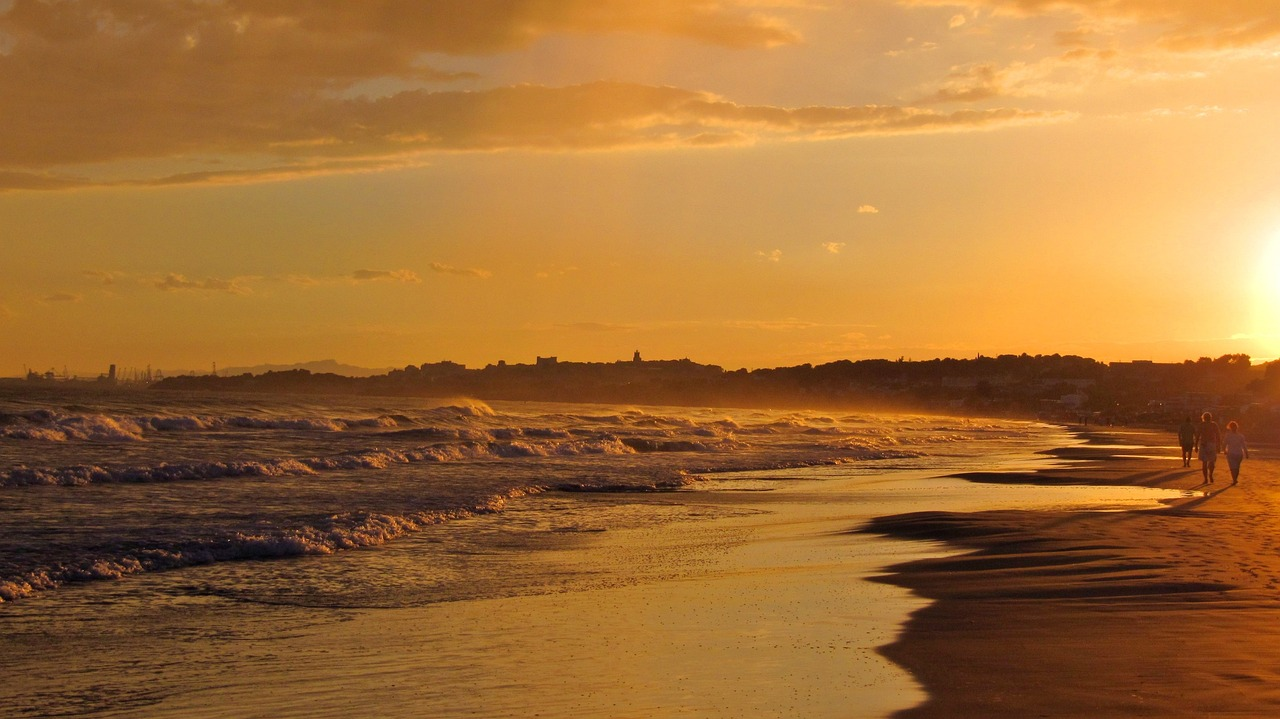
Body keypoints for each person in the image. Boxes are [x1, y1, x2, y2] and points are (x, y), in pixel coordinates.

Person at [1195, 411, 1222, 484]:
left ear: (1203, 418)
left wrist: (1196, 446)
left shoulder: (1201, 425)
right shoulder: (1214, 425)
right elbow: (1218, 435)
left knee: (1204, 462)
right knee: (1212, 461)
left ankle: (1205, 478)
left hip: (1203, 444)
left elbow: (1197, 436)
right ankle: (1210, 474)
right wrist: (1218, 446)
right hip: (1212, 444)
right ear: (1210, 418)